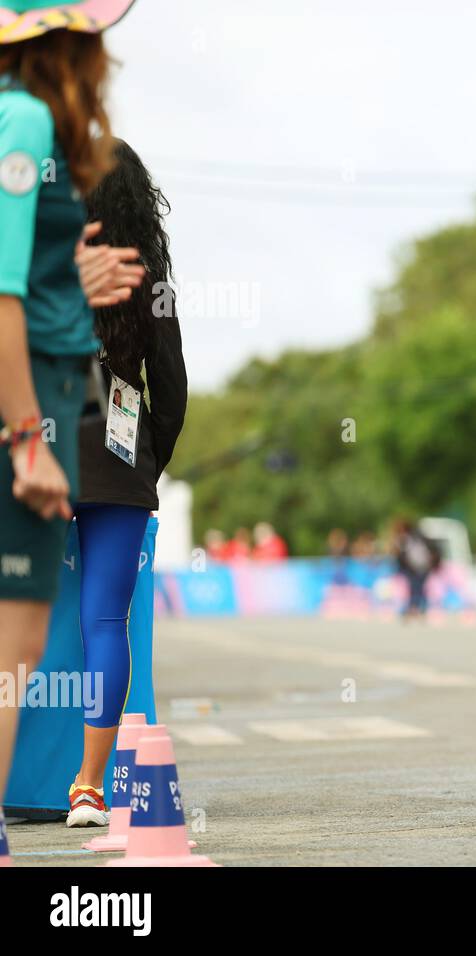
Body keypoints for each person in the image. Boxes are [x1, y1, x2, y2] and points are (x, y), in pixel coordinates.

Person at [0, 0, 137, 864]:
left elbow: (28, 281)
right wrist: (25, 437)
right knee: (12, 648)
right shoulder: (21, 118)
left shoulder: (33, 122)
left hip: (45, 395)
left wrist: (71, 278)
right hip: (26, 414)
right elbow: (1, 293)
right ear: (68, 47)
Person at [66, 138, 187, 827]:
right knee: (106, 622)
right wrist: (147, 465)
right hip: (119, 461)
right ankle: (88, 788)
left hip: (38, 445)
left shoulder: (45, 263)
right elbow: (172, 390)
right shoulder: (157, 281)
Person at [392, 518, 439, 620]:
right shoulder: (423, 538)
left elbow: (401, 554)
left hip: (413, 568)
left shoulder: (407, 538)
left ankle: (414, 609)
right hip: (423, 567)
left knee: (414, 589)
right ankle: (421, 609)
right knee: (421, 589)